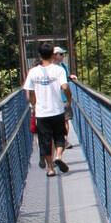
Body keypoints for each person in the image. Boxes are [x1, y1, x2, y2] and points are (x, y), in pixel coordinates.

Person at [25, 44, 71, 177]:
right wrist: (69, 100)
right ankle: (59, 156)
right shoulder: (58, 70)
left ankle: (50, 169)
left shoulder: (33, 72)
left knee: (45, 141)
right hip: (57, 110)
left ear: (39, 56)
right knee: (59, 136)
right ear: (52, 54)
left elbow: (29, 93)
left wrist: (33, 106)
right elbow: (64, 87)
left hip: (41, 113)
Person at [52, 46, 78, 148]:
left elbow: (65, 80)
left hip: (63, 98)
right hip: (56, 100)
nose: (63, 56)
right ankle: (61, 141)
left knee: (65, 120)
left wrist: (70, 77)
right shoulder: (50, 68)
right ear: (55, 55)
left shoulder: (63, 66)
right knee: (58, 122)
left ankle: (63, 141)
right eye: (61, 54)